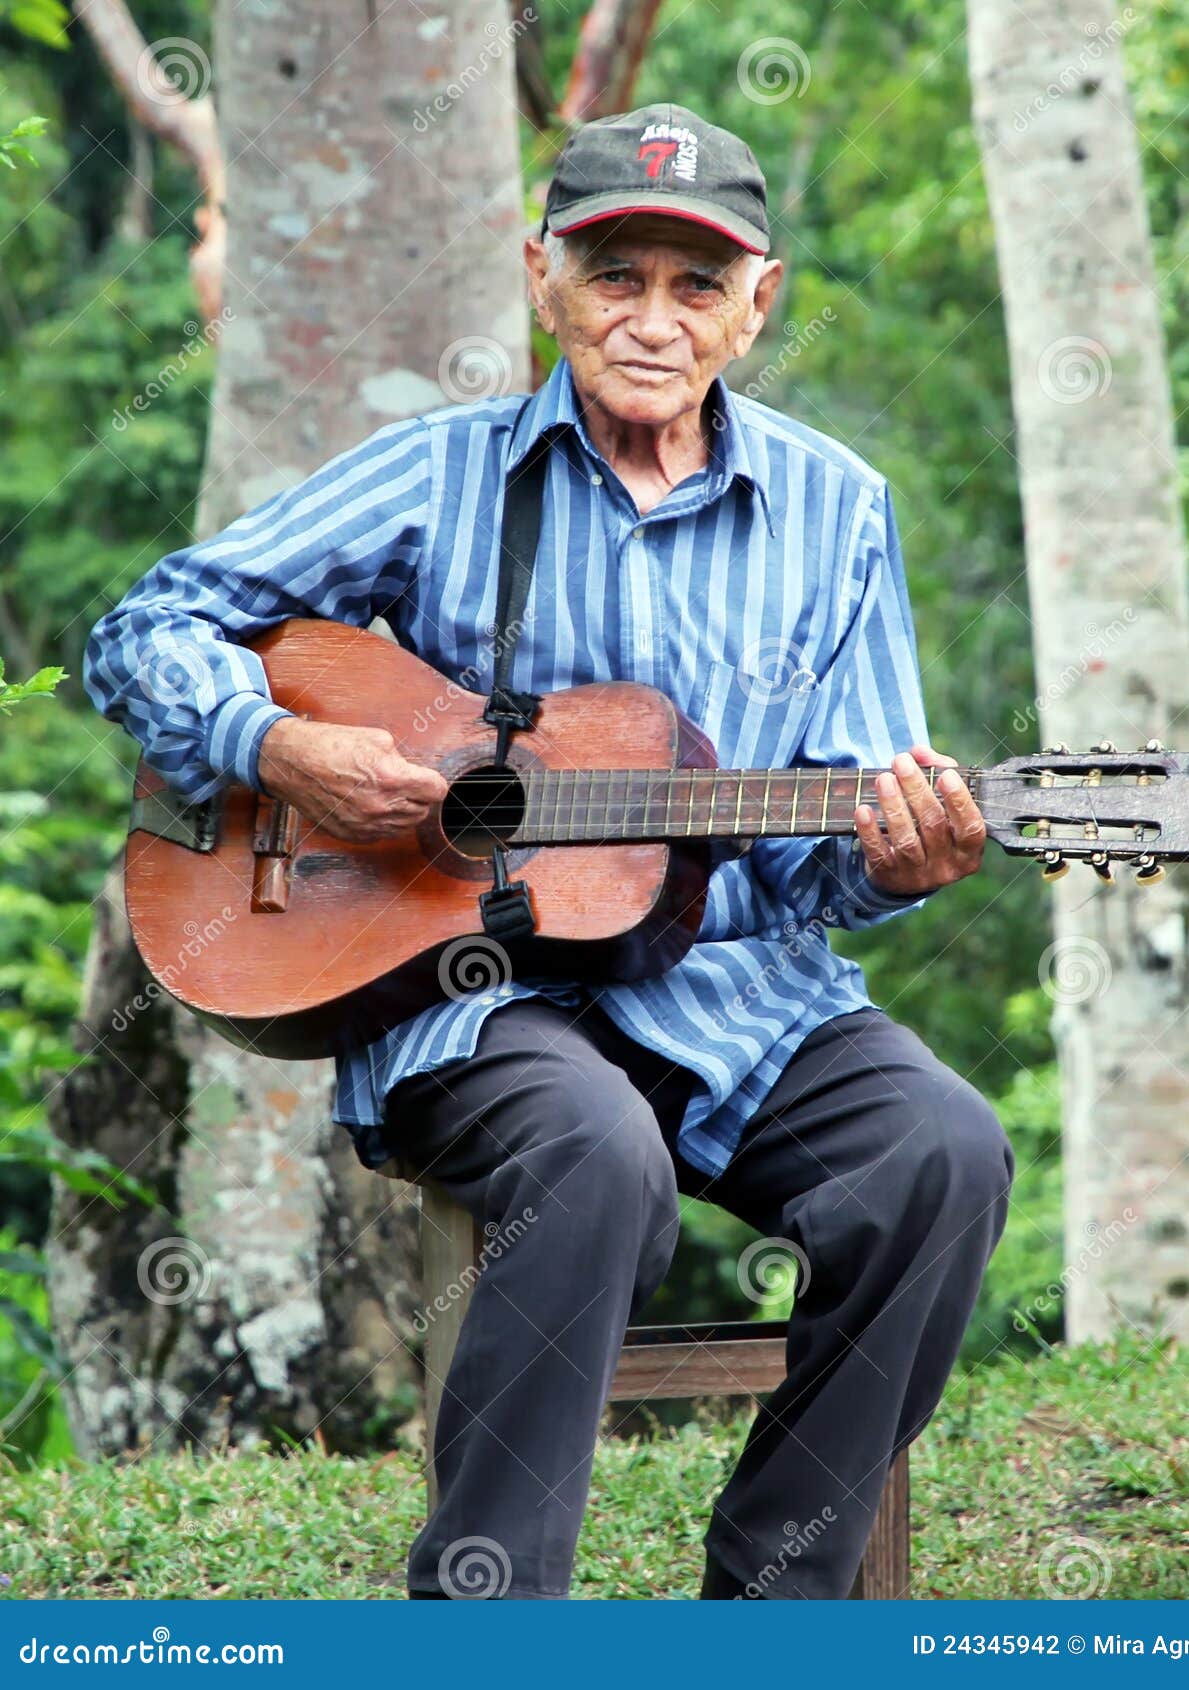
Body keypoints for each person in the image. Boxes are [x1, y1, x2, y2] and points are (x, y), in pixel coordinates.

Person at [83, 103, 1014, 1601]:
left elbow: (819, 856)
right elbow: (145, 626)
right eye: (612, 275)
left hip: (738, 994)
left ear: (757, 301)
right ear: (543, 278)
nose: (652, 320)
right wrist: (274, 745)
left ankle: (774, 1608)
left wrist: (889, 863)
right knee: (594, 1148)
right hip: (470, 993)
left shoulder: (838, 508)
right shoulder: (436, 473)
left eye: (697, 285)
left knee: (943, 1154)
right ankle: (489, 1619)